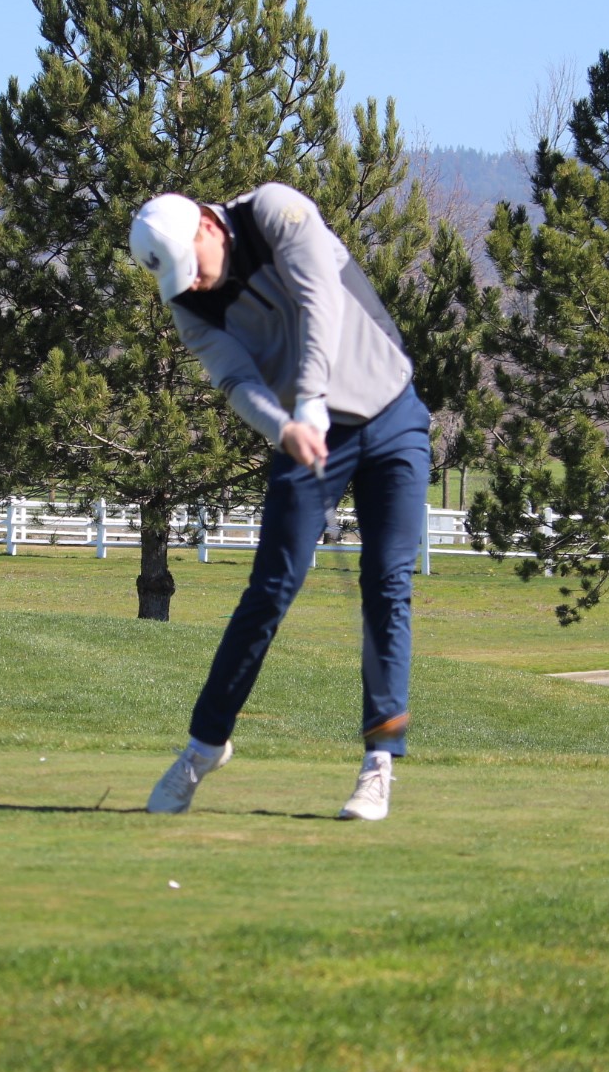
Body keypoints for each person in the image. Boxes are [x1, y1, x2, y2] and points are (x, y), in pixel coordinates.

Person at [128, 183, 431, 821]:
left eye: (196, 268)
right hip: (306, 434)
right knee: (270, 588)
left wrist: (312, 394)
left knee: (387, 582)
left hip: (392, 415)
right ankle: (204, 747)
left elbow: (320, 296)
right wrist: (285, 427)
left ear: (207, 227)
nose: (196, 286)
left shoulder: (275, 211)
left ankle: (379, 763)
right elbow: (235, 379)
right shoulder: (189, 303)